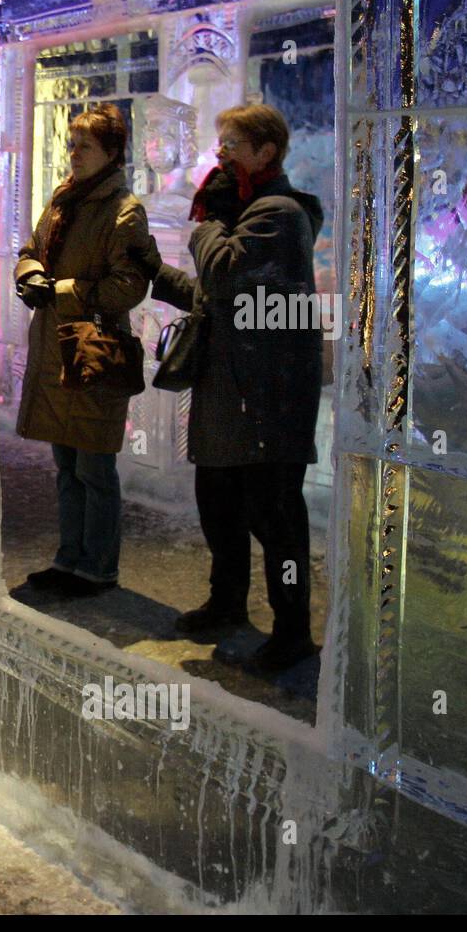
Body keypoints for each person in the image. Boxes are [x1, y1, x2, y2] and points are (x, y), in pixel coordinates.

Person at [129, 103, 324, 671]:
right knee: (219, 503)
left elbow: (223, 274)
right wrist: (152, 269)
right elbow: (220, 298)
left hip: (268, 394)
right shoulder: (245, 212)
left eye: (232, 144)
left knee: (274, 515)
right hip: (231, 388)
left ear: (266, 151)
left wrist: (209, 221)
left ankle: (292, 630)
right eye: (220, 144)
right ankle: (227, 603)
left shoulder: (278, 214)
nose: (220, 156)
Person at [14, 103, 151, 597]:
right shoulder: (63, 201)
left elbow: (131, 283)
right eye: (71, 145)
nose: (73, 155)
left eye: (84, 146)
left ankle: (98, 567)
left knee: (94, 466)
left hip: (94, 348)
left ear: (112, 153)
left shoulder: (124, 211)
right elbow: (30, 248)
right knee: (66, 464)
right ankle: (69, 559)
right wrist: (30, 277)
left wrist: (64, 291)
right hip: (55, 345)